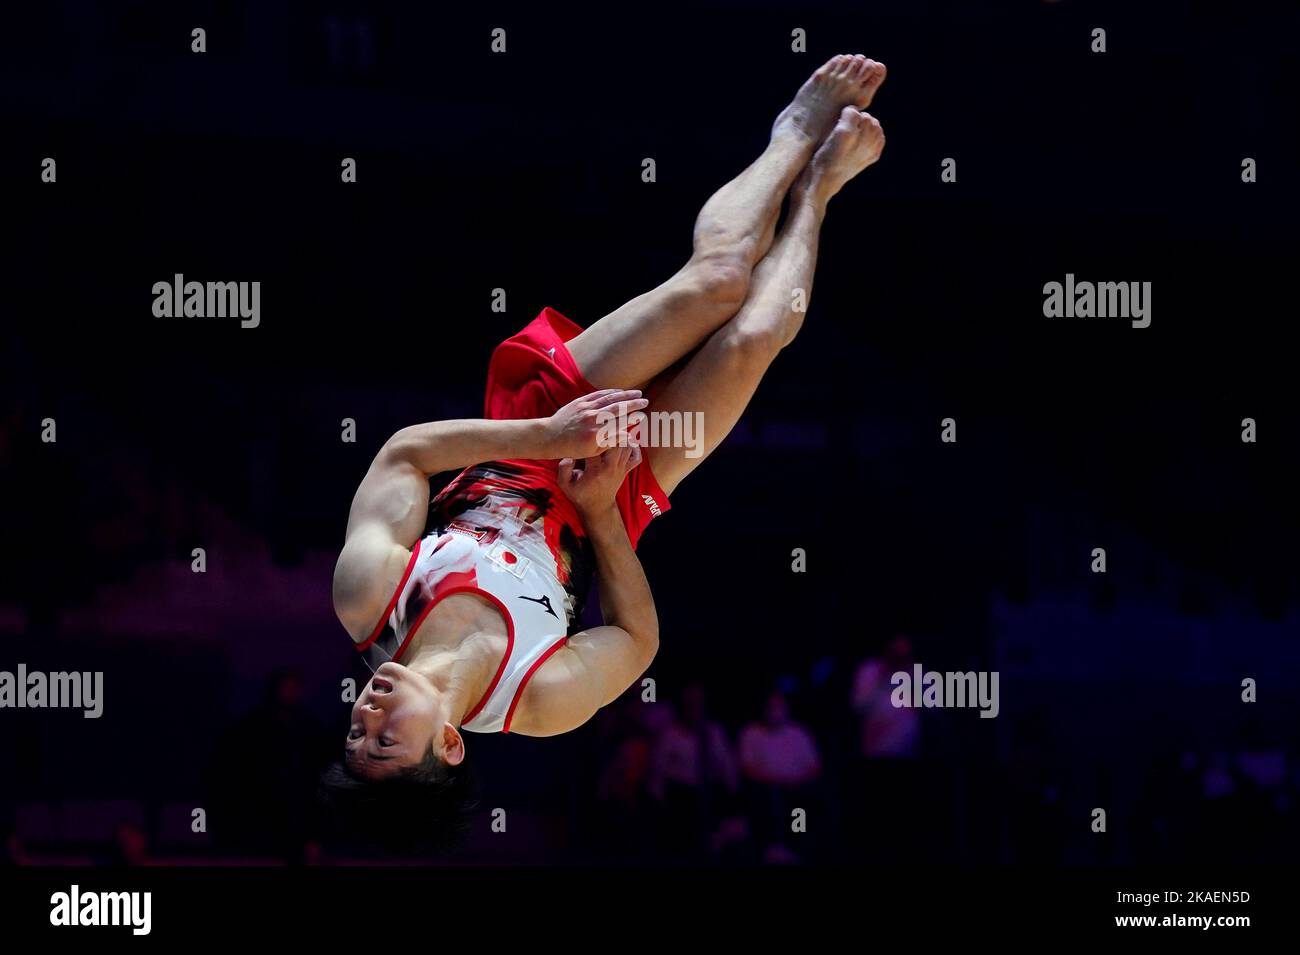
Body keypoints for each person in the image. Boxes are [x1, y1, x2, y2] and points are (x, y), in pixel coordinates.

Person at [321, 54, 888, 849]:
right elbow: (636, 639)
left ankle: (791, 136)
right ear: (449, 746)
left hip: (533, 429)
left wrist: (550, 436)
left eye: (354, 734)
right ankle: (818, 192)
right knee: (755, 336)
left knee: (721, 279)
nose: (367, 714)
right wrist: (599, 511)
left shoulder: (369, 599)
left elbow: (404, 455)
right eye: (384, 740)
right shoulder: (540, 699)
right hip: (614, 497)